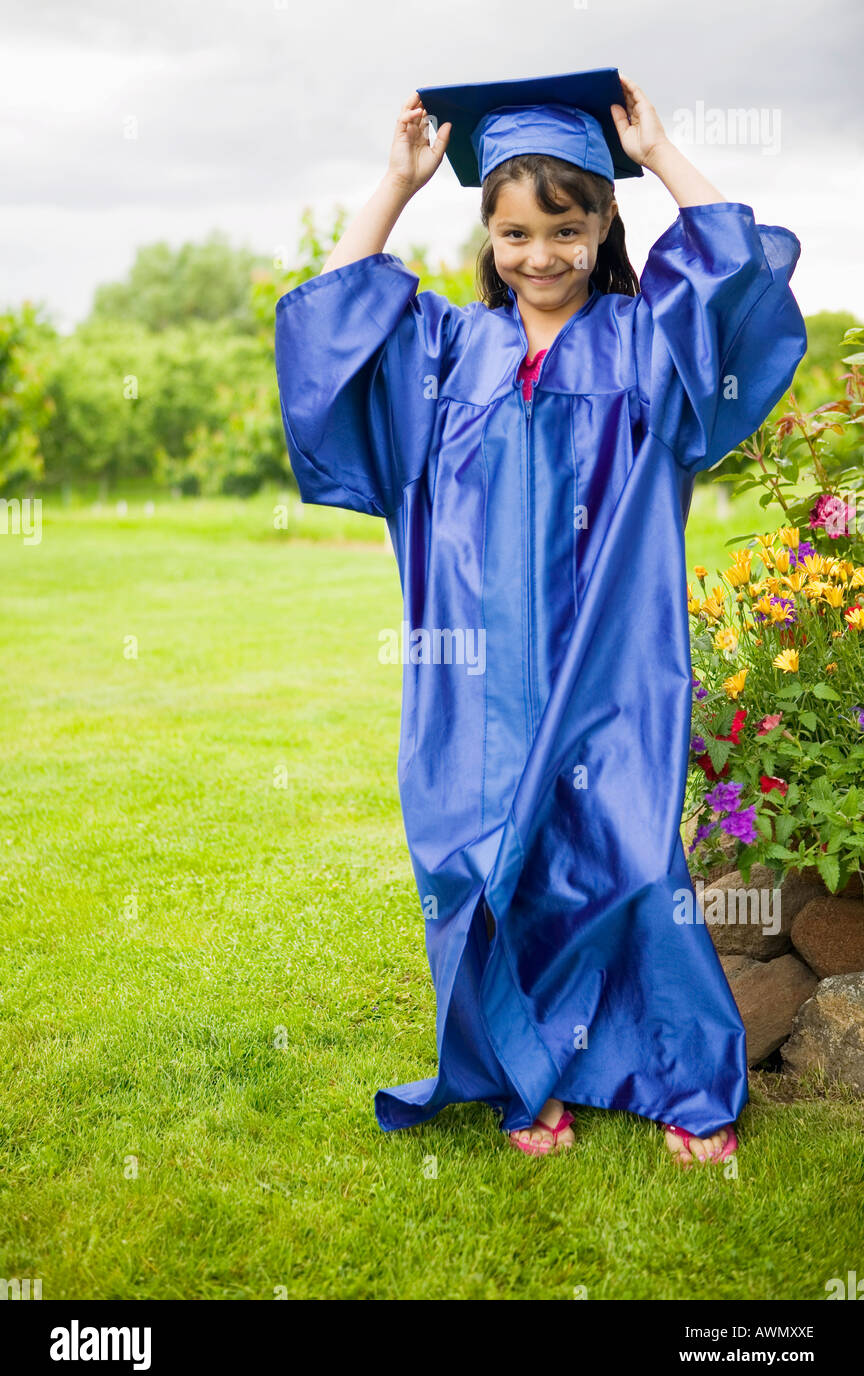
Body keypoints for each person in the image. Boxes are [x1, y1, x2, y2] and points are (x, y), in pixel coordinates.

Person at [274, 69, 807, 1166]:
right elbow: (335, 324)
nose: (541, 255)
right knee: (478, 859)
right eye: (515, 232)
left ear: (605, 223)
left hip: (610, 654)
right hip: (471, 667)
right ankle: (528, 1073)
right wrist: (395, 183)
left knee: (624, 853)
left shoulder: (640, 342)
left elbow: (732, 273)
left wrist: (658, 153)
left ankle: (686, 1084)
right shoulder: (446, 351)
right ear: (489, 232)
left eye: (566, 228)